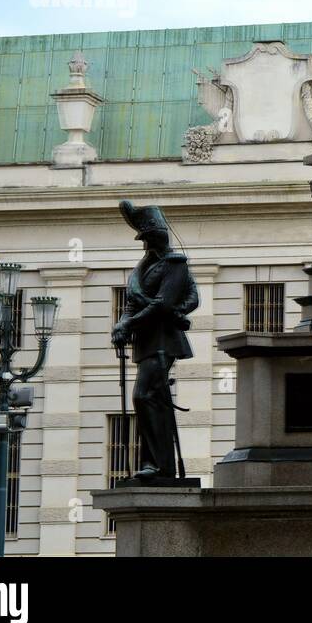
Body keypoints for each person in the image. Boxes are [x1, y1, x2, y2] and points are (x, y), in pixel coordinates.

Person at [111, 200, 199, 480]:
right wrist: (123, 323)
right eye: (143, 239)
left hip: (164, 341)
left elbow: (162, 304)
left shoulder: (175, 265)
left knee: (144, 396)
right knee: (152, 399)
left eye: (147, 238)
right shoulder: (144, 268)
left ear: (157, 237)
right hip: (146, 342)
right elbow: (133, 302)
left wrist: (132, 323)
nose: (144, 244)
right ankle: (156, 464)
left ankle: (160, 466)